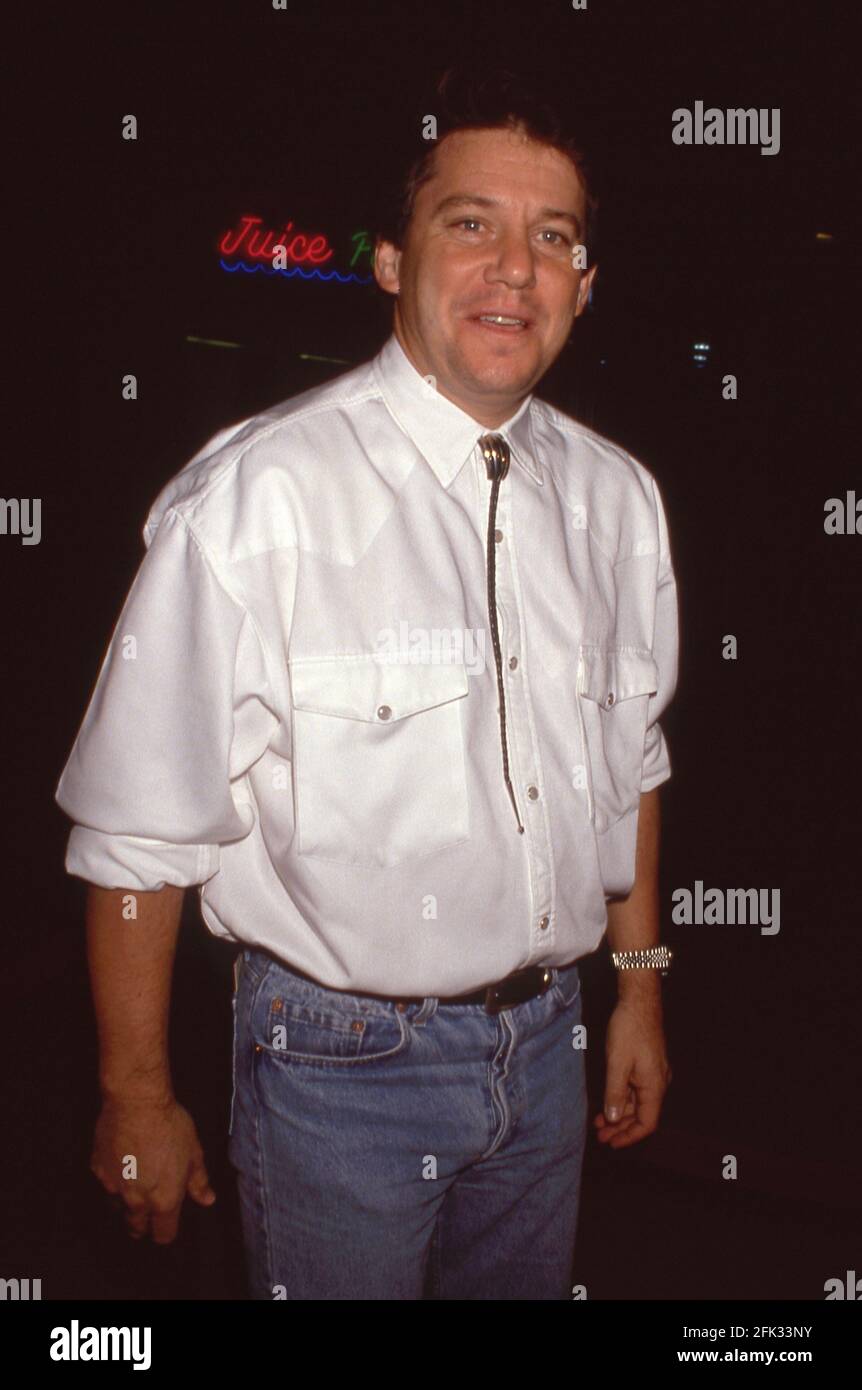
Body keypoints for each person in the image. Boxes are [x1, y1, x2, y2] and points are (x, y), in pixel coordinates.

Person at [56, 68, 679, 1300]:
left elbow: (634, 762)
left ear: (584, 283)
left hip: (549, 1047)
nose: (515, 267)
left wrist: (639, 995)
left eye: (551, 238)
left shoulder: (619, 500)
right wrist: (136, 1092)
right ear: (392, 261)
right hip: (338, 1068)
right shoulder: (260, 495)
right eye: (471, 224)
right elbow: (136, 832)